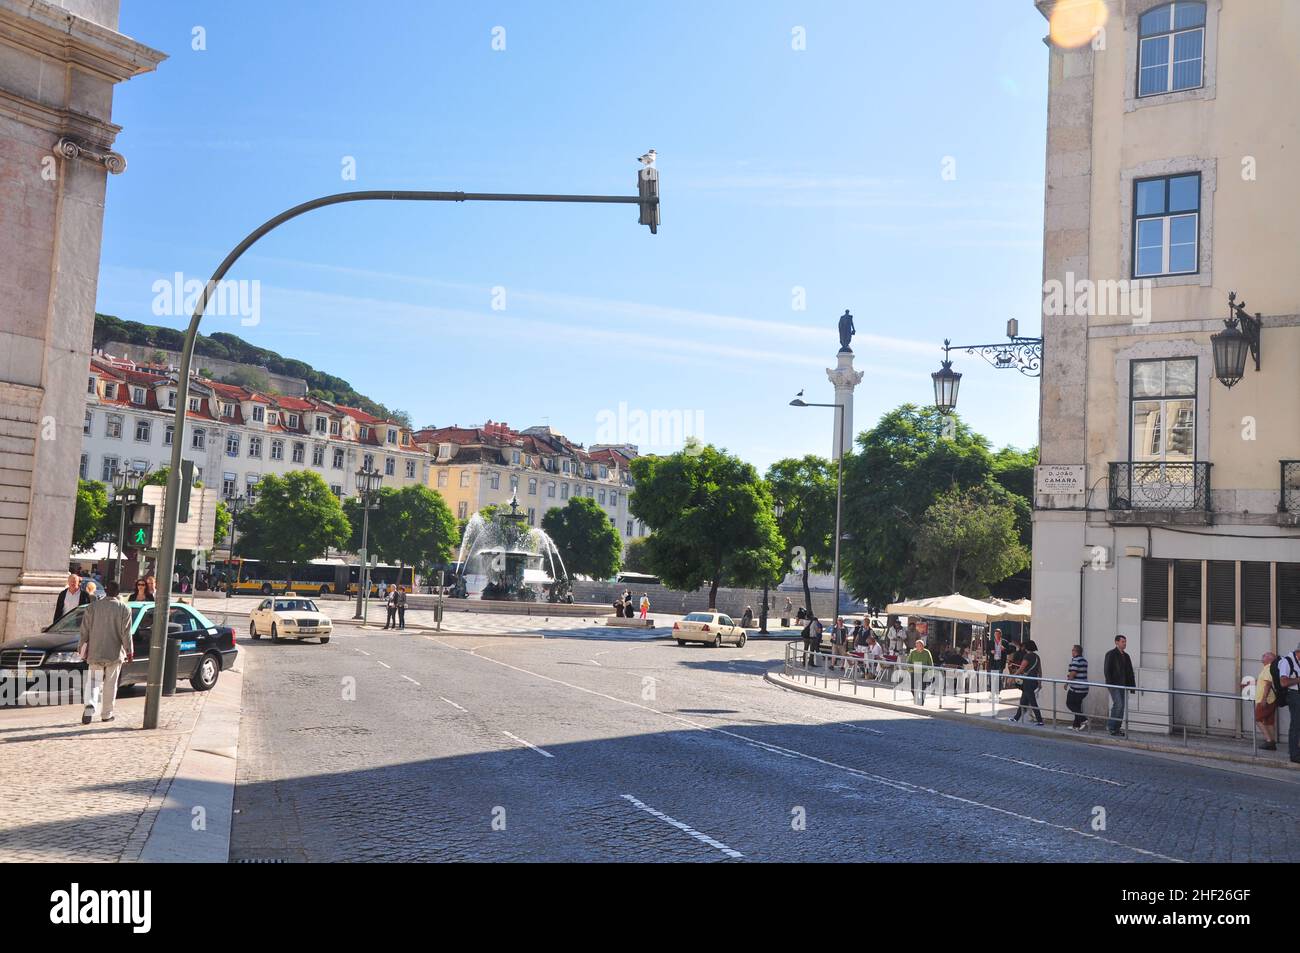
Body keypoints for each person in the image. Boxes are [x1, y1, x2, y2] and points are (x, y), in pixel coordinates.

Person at [77, 580, 133, 724]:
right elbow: (126, 633)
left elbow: (84, 630)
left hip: (95, 651)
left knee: (93, 681)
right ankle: (106, 714)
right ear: (118, 593)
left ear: (106, 591)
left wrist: (81, 647)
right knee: (110, 684)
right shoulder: (124, 609)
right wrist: (129, 651)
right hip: (114, 653)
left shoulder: (93, 607)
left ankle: (90, 704)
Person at [1103, 634, 1137, 736]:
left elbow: (1130, 672)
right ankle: (1111, 726)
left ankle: (1116, 728)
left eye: (1125, 642)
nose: (1125, 643)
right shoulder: (1111, 654)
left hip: (1123, 685)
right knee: (1119, 704)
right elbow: (1107, 669)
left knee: (1121, 707)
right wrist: (1110, 683)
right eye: (1123, 641)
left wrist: (1132, 686)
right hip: (1114, 684)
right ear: (1116, 642)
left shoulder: (1126, 656)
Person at [1008, 639, 1045, 725]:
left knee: (1032, 701)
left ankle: (1040, 720)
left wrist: (1012, 677)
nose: (1023, 647)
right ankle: (1016, 718)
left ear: (1027, 647)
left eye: (1025, 646)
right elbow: (1040, 670)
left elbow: (1021, 668)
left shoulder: (1027, 656)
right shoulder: (1037, 657)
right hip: (1034, 680)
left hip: (1027, 681)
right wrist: (1039, 683)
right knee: (1023, 700)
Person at [1276, 642, 1300, 764]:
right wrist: (1298, 679)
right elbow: (1283, 682)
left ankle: (1297, 750)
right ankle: (1294, 754)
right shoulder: (1287, 661)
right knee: (1296, 724)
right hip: (1294, 695)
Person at [1252, 651, 1278, 751]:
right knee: (1269, 722)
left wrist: (1263, 699)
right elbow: (1263, 683)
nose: (1263, 656)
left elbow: (1267, 684)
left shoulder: (1268, 668)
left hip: (1266, 700)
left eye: (1265, 655)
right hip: (1270, 700)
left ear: (1269, 659)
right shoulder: (1267, 669)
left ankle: (1269, 741)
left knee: (1258, 719)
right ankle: (1272, 742)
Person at [1065, 643, 1090, 730]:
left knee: (1069, 704)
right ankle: (1076, 725)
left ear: (1076, 651)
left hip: (1076, 688)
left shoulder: (1076, 660)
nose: (1071, 651)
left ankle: (1083, 719)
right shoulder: (1084, 660)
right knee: (1077, 706)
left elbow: (1073, 673)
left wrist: (1066, 683)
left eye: (1072, 650)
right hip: (1084, 688)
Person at [907, 639, 934, 705]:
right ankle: (917, 700)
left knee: (923, 689)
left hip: (924, 672)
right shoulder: (913, 652)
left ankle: (921, 703)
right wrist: (910, 669)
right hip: (915, 671)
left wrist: (931, 674)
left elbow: (930, 663)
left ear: (923, 646)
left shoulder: (927, 652)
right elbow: (908, 662)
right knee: (913, 689)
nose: (918, 647)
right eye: (917, 645)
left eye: (919, 645)